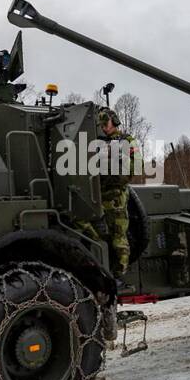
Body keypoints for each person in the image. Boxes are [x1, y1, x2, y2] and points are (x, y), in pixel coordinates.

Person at [72, 107, 137, 284]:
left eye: (106, 123)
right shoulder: (98, 142)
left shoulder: (127, 141)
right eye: (101, 125)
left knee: (118, 235)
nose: (103, 127)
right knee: (88, 227)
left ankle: (120, 274)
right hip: (98, 195)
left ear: (114, 121)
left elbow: (131, 169)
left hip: (116, 196)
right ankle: (102, 263)